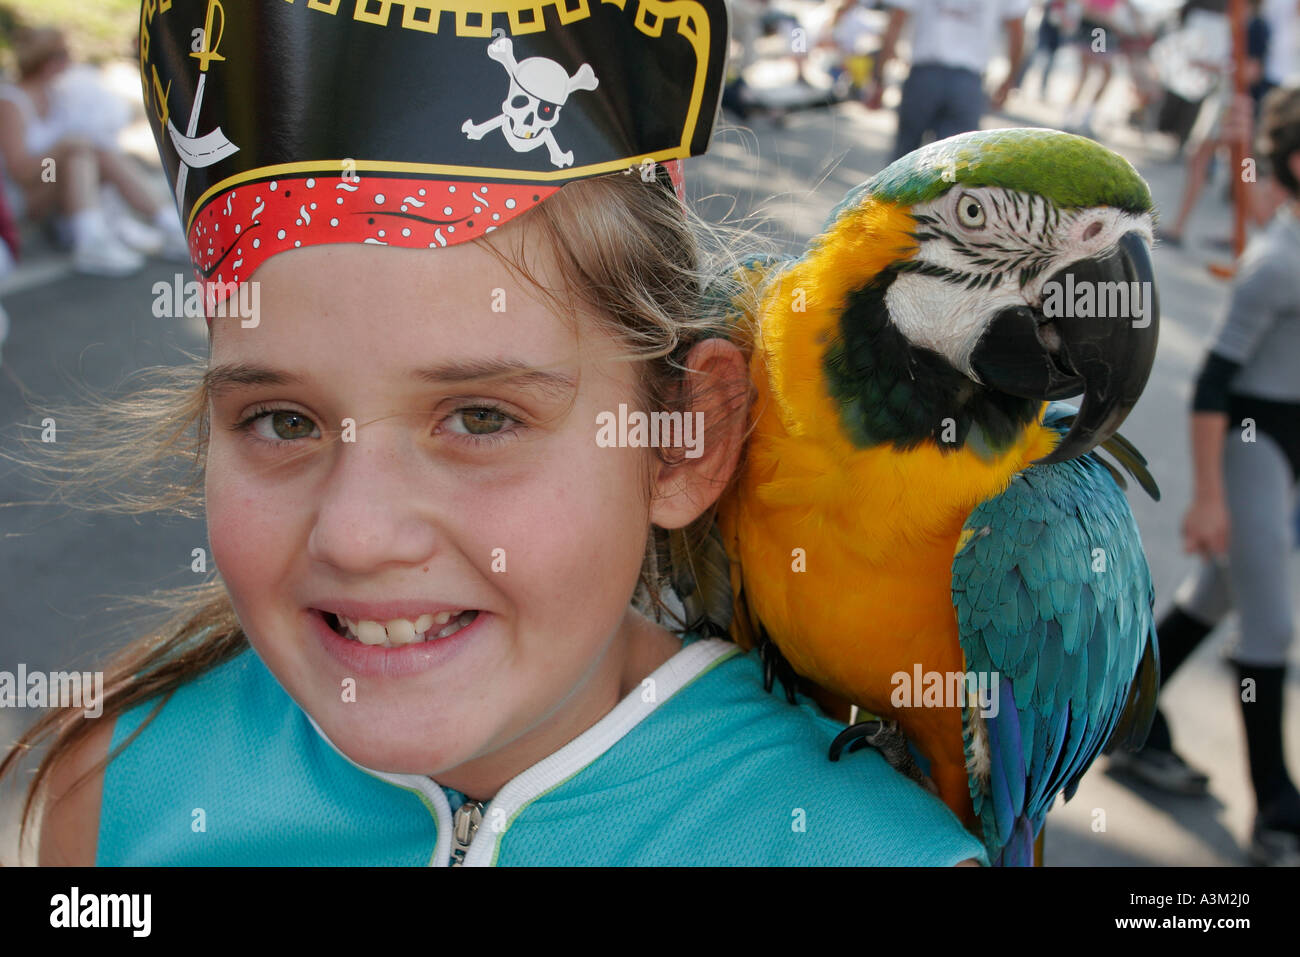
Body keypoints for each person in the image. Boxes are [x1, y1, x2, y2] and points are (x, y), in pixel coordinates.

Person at [0, 0, 986, 867]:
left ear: (683, 439)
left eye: (480, 417)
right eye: (282, 420)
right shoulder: (116, 787)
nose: (357, 534)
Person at [1109, 85, 1300, 867]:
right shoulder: (1276, 264)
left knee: (1212, 596)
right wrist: (1212, 497)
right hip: (1257, 442)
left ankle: (1131, 717)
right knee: (1269, 625)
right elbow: (1211, 384)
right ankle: (1277, 806)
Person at [0, 24, 186, 276]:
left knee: (94, 150)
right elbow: (19, 171)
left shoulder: (56, 93)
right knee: (76, 152)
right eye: (63, 55)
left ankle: (168, 223)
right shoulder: (12, 101)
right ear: (45, 61)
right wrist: (61, 149)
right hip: (28, 193)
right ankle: (91, 241)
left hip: (53, 180)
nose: (69, 61)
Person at [866, 0, 1029, 161]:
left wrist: (879, 76)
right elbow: (1017, 32)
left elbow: (896, 20)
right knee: (956, 166)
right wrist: (1009, 81)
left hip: (925, 78)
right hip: (966, 84)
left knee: (903, 161)